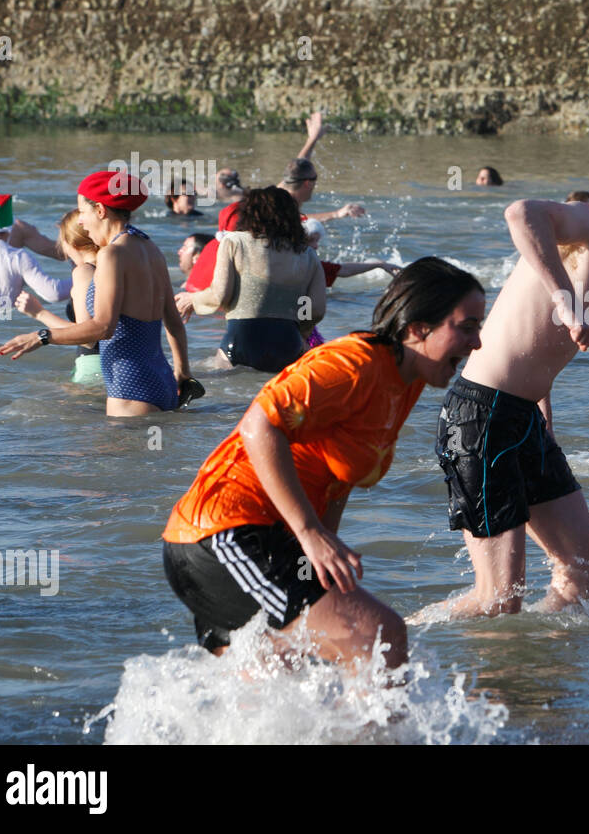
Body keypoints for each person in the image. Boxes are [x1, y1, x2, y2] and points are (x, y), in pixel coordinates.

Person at [162, 258, 484, 675]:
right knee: (381, 638)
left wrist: (319, 553)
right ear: (418, 328)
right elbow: (259, 425)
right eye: (467, 326)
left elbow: (337, 474)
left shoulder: (406, 379)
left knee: (277, 677)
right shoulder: (354, 363)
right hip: (221, 532)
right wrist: (309, 533)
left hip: (260, 539)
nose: (477, 343)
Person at [425, 143, 589, 619]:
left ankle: (545, 673)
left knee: (584, 570)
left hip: (522, 417)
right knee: (498, 599)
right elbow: (520, 212)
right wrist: (565, 297)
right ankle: (388, 644)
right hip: (481, 416)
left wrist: (542, 408)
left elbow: (535, 343)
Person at [0, 171, 191, 417]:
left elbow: (103, 328)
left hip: (130, 388)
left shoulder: (112, 254)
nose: (80, 222)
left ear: (100, 210)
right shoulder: (151, 249)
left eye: (83, 213)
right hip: (163, 381)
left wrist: (41, 336)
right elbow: (173, 320)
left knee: (108, 455)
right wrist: (183, 372)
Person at [176, 186, 326, 374]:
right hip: (289, 344)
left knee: (229, 396)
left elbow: (220, 296)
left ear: (250, 213)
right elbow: (315, 308)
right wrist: (301, 330)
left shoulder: (234, 242)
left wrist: (192, 299)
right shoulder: (308, 254)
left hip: (240, 343)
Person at [14, 209, 103, 385]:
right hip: (118, 365)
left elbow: (88, 338)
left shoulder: (85, 272)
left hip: (94, 369)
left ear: (70, 241)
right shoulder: (115, 264)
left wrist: (39, 313)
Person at [0, 193, 71, 310]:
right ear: (10, 229)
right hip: (2, 320)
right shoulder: (18, 257)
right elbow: (54, 293)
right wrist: (84, 278)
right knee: (5, 315)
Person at [281, 112, 365, 222]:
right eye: (315, 179)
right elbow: (297, 220)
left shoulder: (286, 187)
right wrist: (337, 214)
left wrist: (312, 139)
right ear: (307, 183)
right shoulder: (280, 204)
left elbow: (298, 167)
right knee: (314, 230)